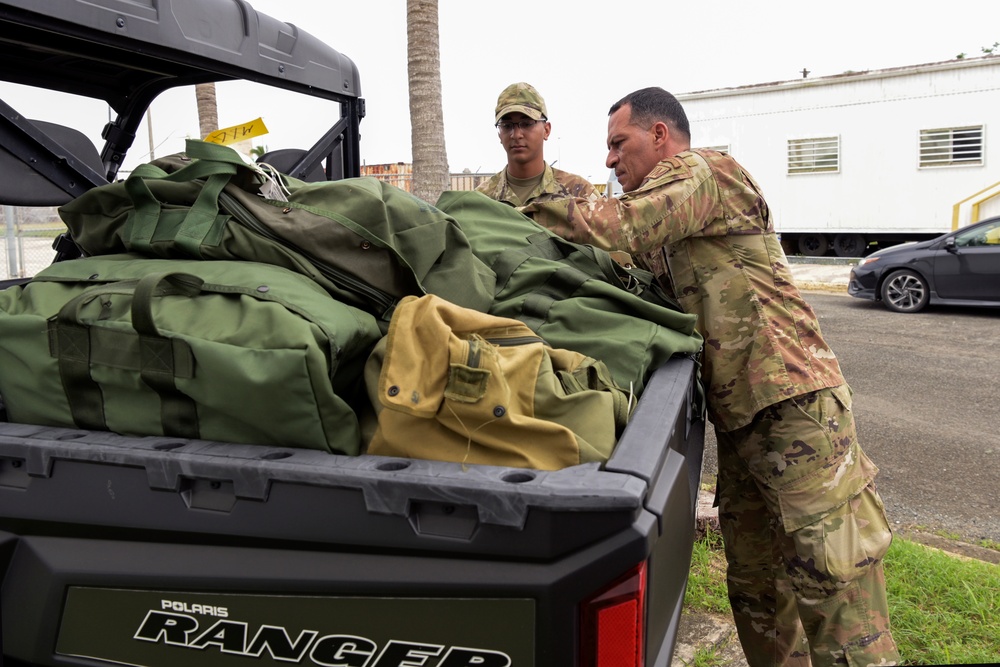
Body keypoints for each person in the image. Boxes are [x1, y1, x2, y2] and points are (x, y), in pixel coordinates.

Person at [521, 87, 900, 667]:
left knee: (834, 583)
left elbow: (621, 228)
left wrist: (517, 214)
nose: (609, 161)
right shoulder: (673, 231)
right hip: (743, 421)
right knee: (756, 589)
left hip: (794, 405)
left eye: (618, 144)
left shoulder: (702, 173)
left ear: (659, 136)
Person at [476, 82, 598, 207]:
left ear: (546, 130)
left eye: (526, 123)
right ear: (499, 135)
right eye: (507, 126)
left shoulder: (579, 192)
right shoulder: (481, 200)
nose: (516, 134)